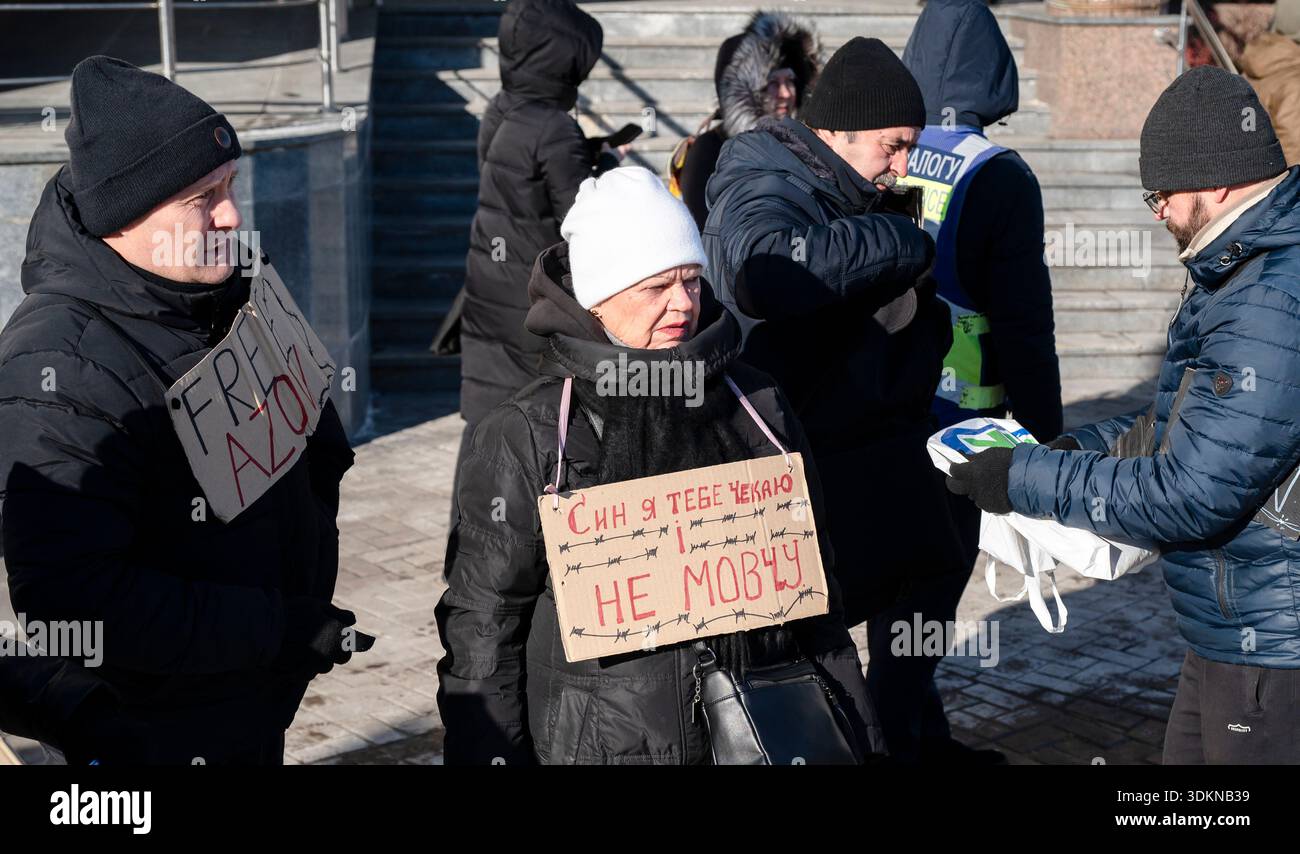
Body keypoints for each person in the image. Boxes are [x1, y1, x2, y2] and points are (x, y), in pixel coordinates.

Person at [435, 167, 881, 764]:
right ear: (599, 299)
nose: (682, 304)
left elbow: (819, 600)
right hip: (606, 748)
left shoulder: (757, 402)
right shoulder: (530, 433)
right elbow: (484, 627)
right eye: (655, 287)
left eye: (692, 281)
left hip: (764, 732)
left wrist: (863, 741)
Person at [0, 57, 365, 764]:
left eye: (231, 185)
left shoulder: (217, 284)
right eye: (203, 197)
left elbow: (305, 434)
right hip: (153, 726)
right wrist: (276, 629)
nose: (232, 215)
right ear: (126, 214)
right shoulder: (59, 367)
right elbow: (70, 603)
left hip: (249, 693)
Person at [947, 66, 1300, 765]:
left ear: (1216, 181)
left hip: (1271, 644)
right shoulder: (1241, 268)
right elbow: (1180, 428)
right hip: (1233, 631)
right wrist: (1065, 451)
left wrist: (1027, 481)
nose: (1157, 212)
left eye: (1159, 195)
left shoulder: (1268, 296)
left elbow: (1192, 493)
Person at [703, 39, 964, 639]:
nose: (902, 166)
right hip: (769, 488)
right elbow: (764, 271)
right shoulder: (764, 179)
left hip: (833, 471)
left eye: (910, 148)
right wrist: (902, 241)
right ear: (839, 132)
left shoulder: (841, 188)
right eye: (891, 146)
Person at [864, 0, 1062, 763]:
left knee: (899, 587)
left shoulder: (891, 155)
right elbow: (1023, 324)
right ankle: (892, 742)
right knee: (934, 588)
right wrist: (1047, 440)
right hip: (964, 425)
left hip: (886, 410)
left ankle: (920, 734)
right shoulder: (999, 175)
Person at [457, 0, 615, 430]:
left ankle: (474, 501)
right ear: (561, 57)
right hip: (529, 304)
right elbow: (583, 223)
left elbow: (521, 187)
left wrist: (587, 157)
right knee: (541, 433)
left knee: (488, 427)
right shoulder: (555, 128)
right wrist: (611, 171)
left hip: (490, 293)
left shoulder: (502, 107)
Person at [673, 10, 820, 230]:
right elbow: (706, 234)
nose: (786, 93)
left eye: (789, 80)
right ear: (742, 91)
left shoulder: (805, 145)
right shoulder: (710, 149)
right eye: (772, 82)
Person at [1240, 0, 1300, 166]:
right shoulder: (1295, 82)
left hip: (1253, 172)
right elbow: (1294, 150)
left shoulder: (1264, 59)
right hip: (1282, 182)